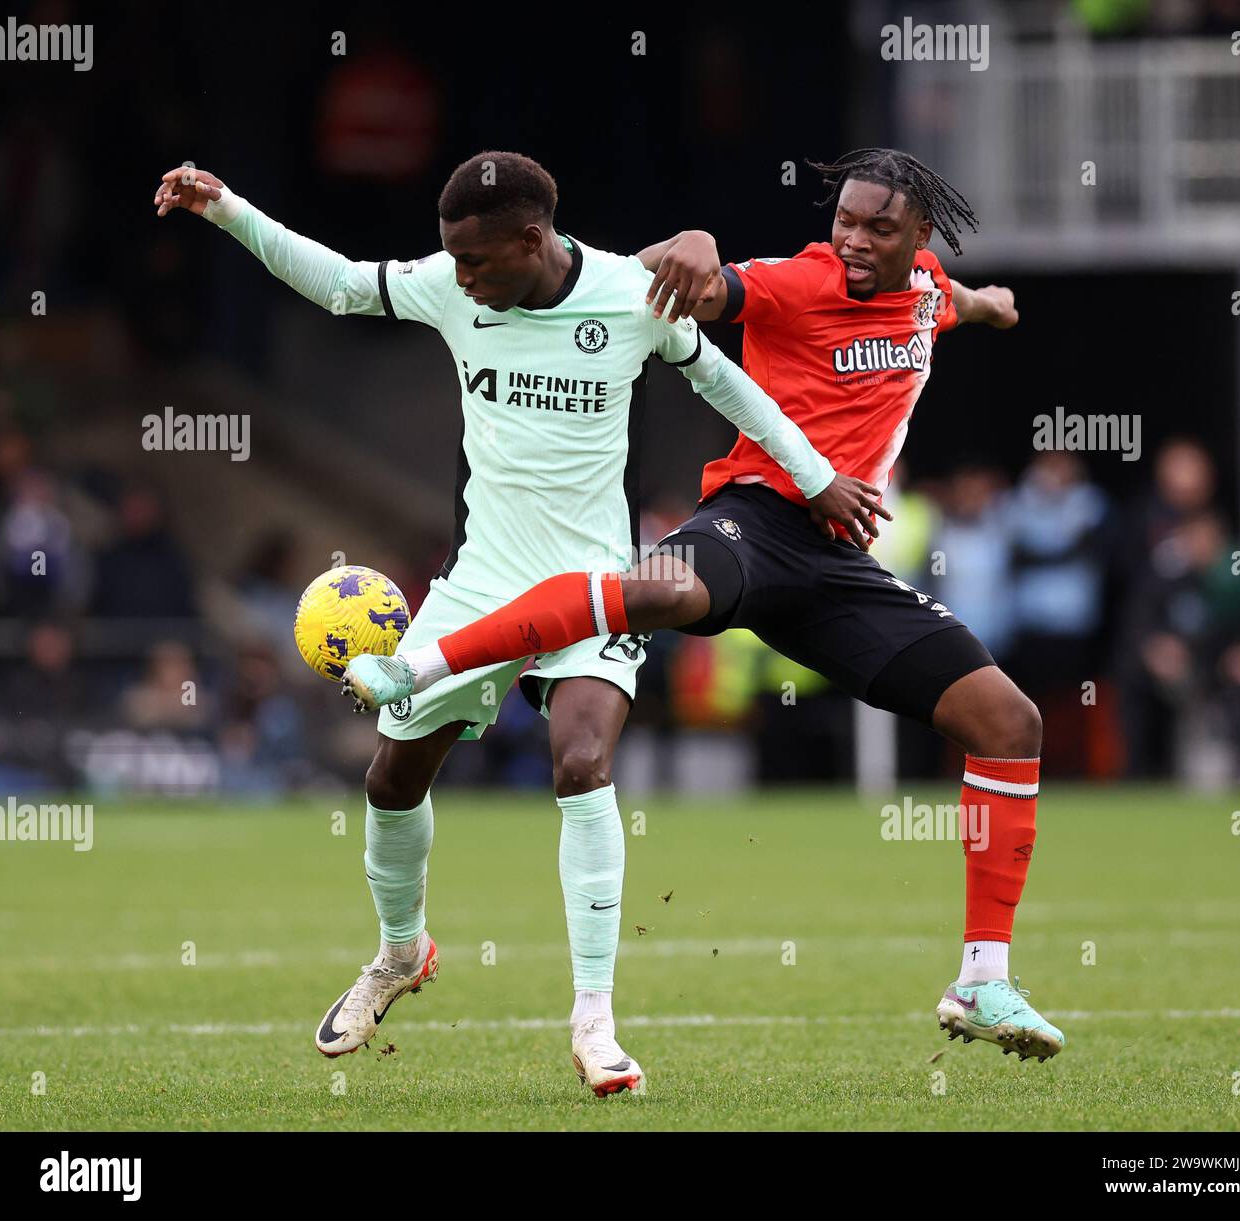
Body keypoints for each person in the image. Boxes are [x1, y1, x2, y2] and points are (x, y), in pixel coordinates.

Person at [154, 150, 880, 1094]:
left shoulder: (629, 296)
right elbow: (335, 286)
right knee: (390, 776)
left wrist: (815, 476)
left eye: (476, 262)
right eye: (451, 259)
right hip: (479, 584)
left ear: (533, 239)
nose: (459, 278)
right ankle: (400, 952)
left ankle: (594, 1023)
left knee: (581, 762)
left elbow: (726, 384)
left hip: (593, 592)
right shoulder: (452, 289)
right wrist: (227, 208)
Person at [347, 148, 1065, 1062]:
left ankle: (982, 979)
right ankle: (420, 662)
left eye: (876, 228)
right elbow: (683, 284)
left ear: (919, 237)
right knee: (657, 590)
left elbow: (944, 304)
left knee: (1008, 719)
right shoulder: (800, 280)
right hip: (754, 522)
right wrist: (690, 241)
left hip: (836, 562)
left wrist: (988, 304)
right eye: (843, 218)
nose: (850, 239)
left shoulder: (924, 285)